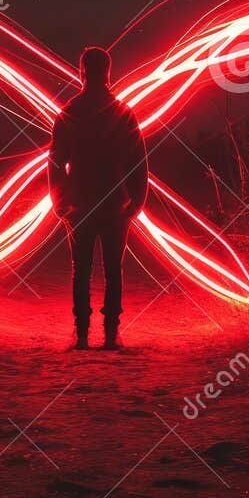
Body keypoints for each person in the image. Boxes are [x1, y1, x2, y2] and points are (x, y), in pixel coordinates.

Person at [48, 46, 148, 350]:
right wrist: (136, 202)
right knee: (113, 269)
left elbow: (54, 161)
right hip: (115, 202)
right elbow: (139, 162)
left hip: (80, 203)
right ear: (108, 72)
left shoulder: (69, 112)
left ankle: (81, 334)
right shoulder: (123, 113)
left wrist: (61, 201)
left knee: (82, 270)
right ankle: (110, 333)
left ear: (81, 72)